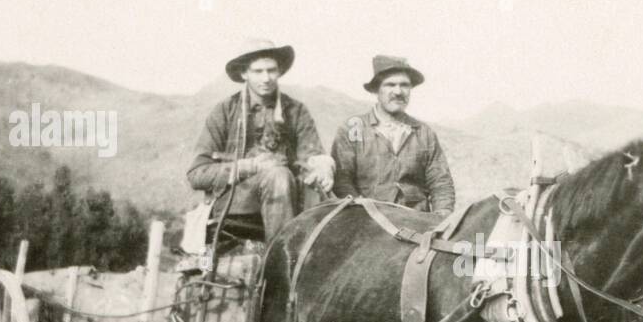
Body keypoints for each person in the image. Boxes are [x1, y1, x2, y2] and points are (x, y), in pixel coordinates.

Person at [188, 39, 336, 240]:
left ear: (279, 71)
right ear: (244, 74)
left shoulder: (295, 111)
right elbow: (197, 174)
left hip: (289, 198)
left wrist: (322, 167)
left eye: (271, 70)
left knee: (323, 191)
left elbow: (311, 154)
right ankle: (279, 263)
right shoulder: (225, 111)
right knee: (278, 176)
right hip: (234, 201)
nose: (266, 78)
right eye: (258, 71)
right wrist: (250, 166)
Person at [331, 55, 455, 216]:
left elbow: (441, 182)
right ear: (376, 90)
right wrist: (360, 210)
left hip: (416, 221)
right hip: (368, 220)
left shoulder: (424, 132)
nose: (398, 92)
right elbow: (342, 180)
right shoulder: (353, 129)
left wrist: (442, 214)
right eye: (390, 85)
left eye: (404, 85)